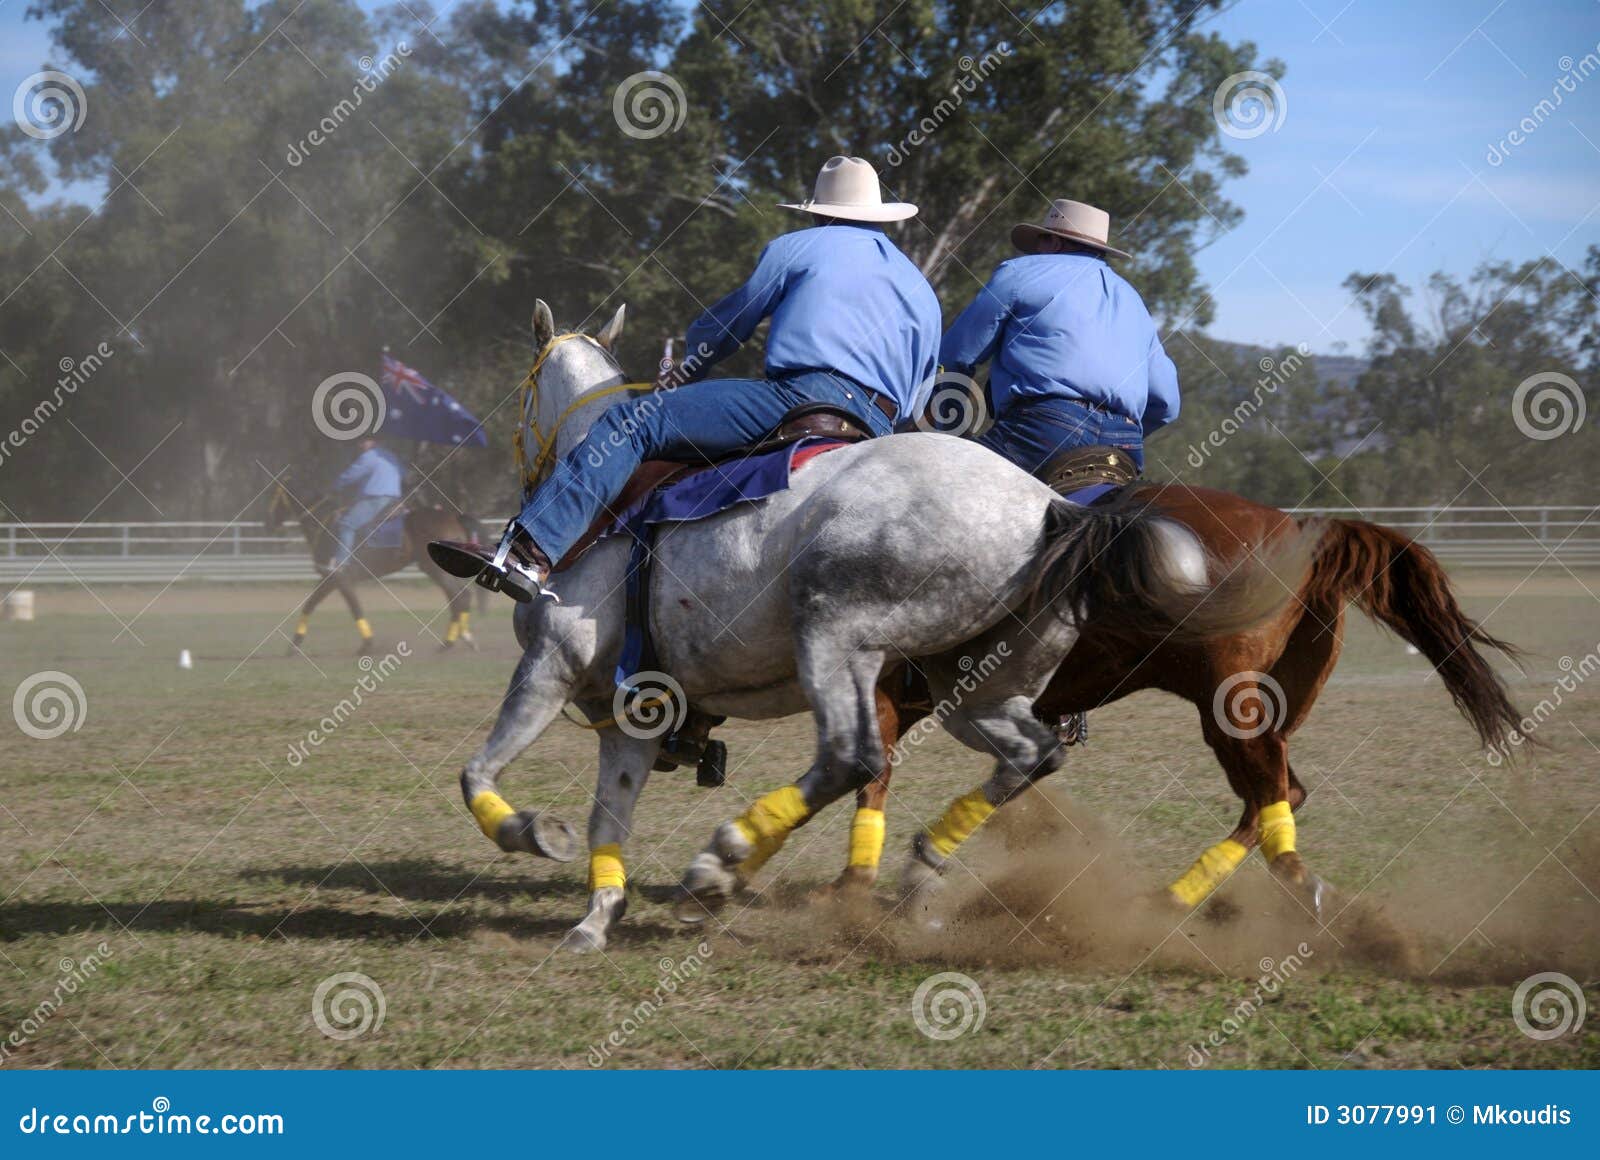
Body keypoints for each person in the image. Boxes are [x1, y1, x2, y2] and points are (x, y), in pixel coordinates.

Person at [431, 156, 943, 602]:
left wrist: (683, 370)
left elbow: (725, 327)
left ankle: (528, 552)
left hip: (802, 399)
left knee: (632, 425)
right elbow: (920, 393)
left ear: (823, 211)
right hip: (878, 427)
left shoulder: (798, 248)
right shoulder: (921, 287)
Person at [938, 199, 1179, 477]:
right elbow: (1167, 405)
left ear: (1054, 242)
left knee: (951, 487)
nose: (1038, 249)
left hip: (1045, 428)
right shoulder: (1135, 302)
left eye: (1041, 239)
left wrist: (946, 424)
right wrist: (1119, 431)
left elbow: (956, 355)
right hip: (1122, 446)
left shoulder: (1021, 272)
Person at [329, 436, 403, 570]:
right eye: (360, 442)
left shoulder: (369, 456)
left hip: (376, 499)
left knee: (347, 525)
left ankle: (341, 563)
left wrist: (334, 485)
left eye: (363, 441)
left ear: (374, 441)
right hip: (394, 500)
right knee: (363, 526)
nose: (360, 445)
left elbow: (350, 475)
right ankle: (362, 555)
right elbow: (403, 474)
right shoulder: (391, 456)